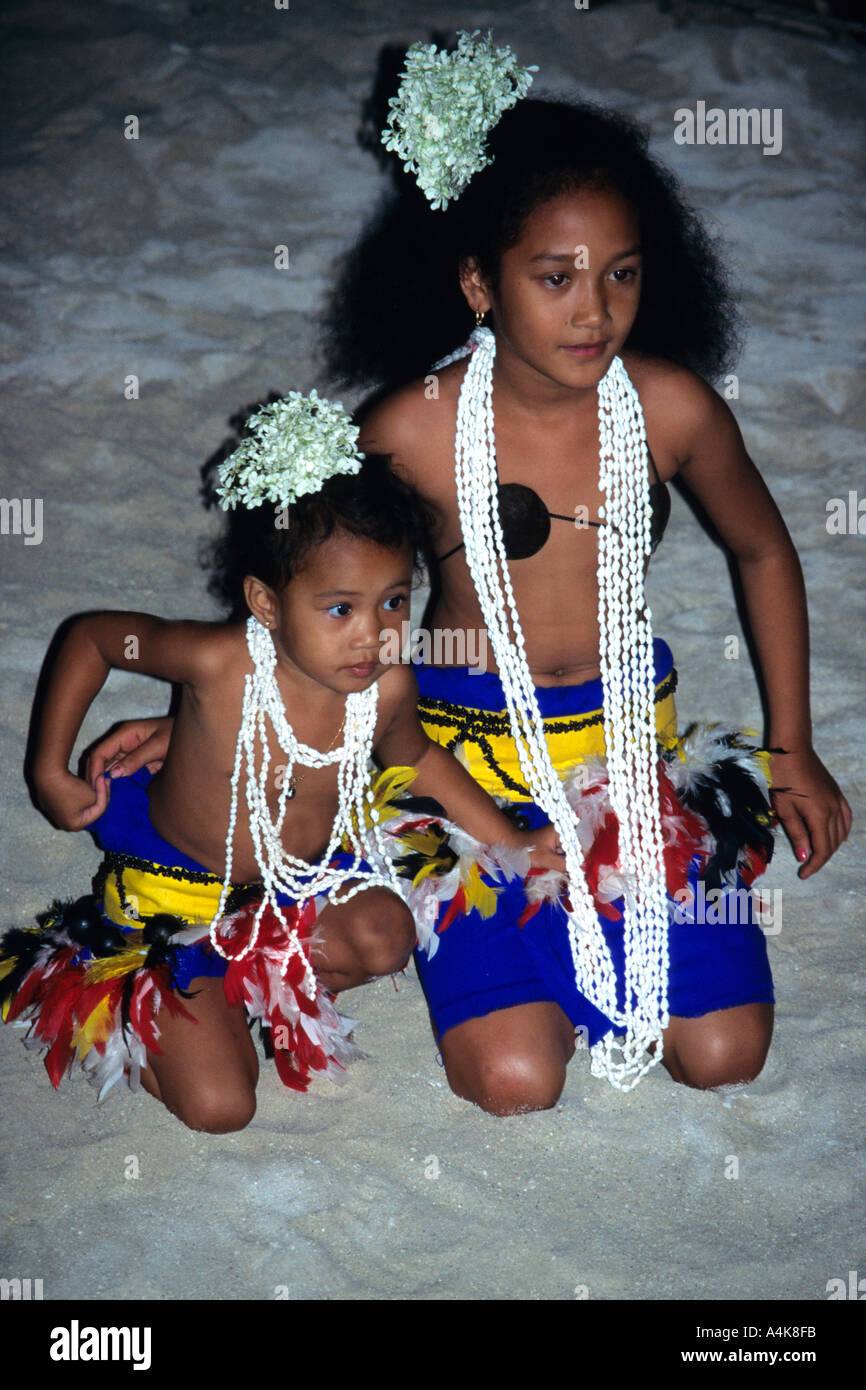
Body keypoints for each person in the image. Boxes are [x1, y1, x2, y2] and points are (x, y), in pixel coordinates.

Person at [86, 35, 851, 1110]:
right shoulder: (415, 426)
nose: (594, 309)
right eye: (554, 278)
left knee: (723, 1053)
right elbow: (320, 578)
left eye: (621, 273)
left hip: (629, 750)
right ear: (477, 282)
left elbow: (763, 548)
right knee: (511, 1081)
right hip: (451, 765)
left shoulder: (670, 407)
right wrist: (231, 710)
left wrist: (791, 746)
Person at [0, 398, 561, 1134]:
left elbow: (419, 758)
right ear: (265, 602)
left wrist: (508, 841)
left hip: (294, 892)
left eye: (395, 601)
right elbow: (94, 639)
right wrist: (49, 768)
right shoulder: (217, 665)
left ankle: (257, 982)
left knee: (389, 934)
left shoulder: (387, 685)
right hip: (176, 904)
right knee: (221, 1108)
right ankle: (187, 1010)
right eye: (340, 609)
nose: (373, 635)